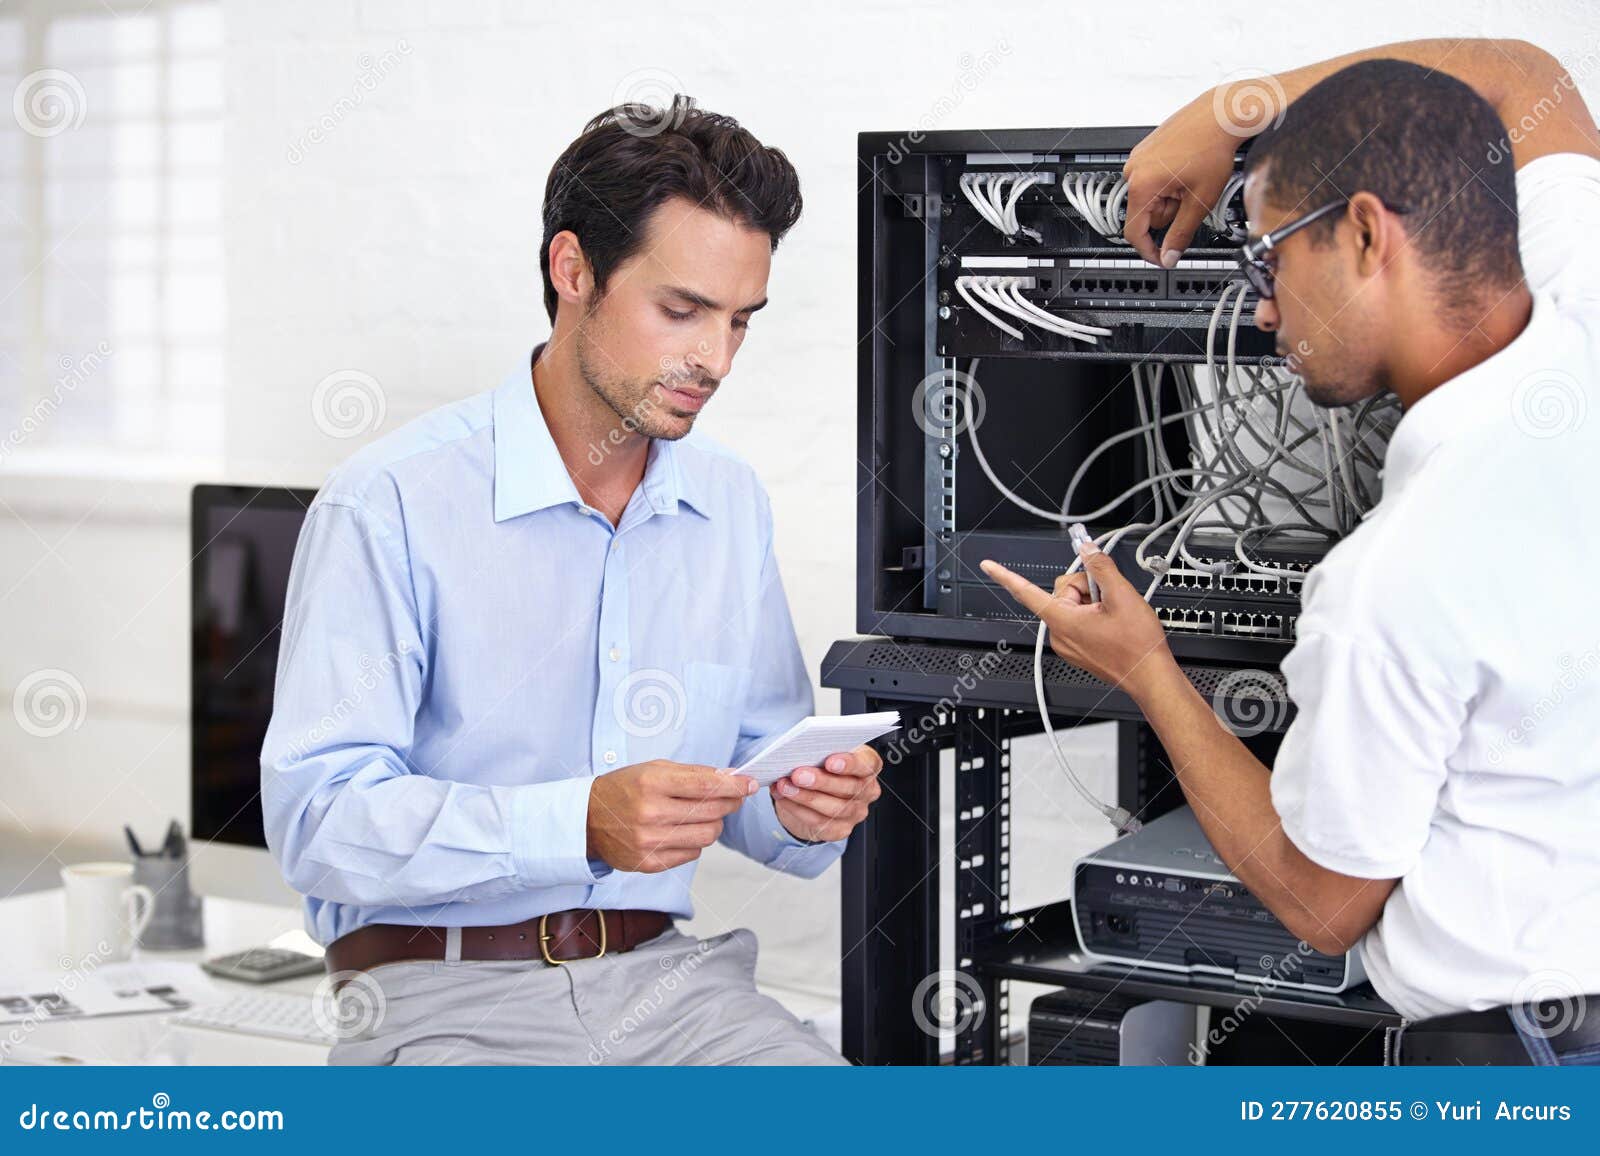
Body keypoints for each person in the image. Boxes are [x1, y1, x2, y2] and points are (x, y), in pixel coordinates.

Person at [982, 39, 1600, 1065]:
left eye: (1269, 257)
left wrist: (1144, 668)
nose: (1261, 308)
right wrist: (1227, 112)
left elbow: (1322, 901)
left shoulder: (1396, 575)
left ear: (1365, 233)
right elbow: (1526, 78)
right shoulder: (1581, 312)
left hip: (1516, 1058)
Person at [261, 97, 882, 1065]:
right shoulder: (389, 501)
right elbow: (319, 820)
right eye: (680, 311)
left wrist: (802, 806)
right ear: (572, 270)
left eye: (738, 322)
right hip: (437, 995)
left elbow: (753, 776)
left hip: (674, 994)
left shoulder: (728, 502)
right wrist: (577, 820)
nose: (713, 359)